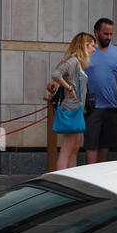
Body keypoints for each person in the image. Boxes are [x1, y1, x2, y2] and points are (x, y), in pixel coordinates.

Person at [46, 32, 95, 171]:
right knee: (67, 150)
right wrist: (69, 87)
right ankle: (61, 182)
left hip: (77, 108)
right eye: (91, 46)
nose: (93, 49)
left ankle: (70, 179)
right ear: (84, 46)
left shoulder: (78, 63)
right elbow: (56, 74)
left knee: (73, 150)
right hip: (72, 108)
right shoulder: (73, 61)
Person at [83, 17, 117, 164]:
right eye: (105, 34)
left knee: (105, 145)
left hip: (110, 106)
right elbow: (70, 67)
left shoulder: (116, 52)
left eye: (110, 34)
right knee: (91, 144)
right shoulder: (87, 50)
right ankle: (90, 177)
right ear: (96, 32)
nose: (108, 37)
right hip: (92, 107)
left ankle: (99, 178)